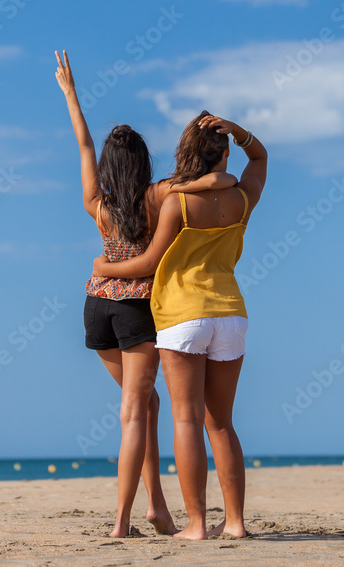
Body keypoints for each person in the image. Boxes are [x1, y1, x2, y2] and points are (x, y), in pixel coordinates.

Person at [54, 53, 238, 538]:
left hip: (97, 307)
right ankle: (121, 522)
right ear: (142, 164)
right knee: (137, 410)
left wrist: (70, 95)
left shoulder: (96, 204)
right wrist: (220, 177)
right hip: (137, 309)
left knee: (146, 404)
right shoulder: (155, 197)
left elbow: (84, 143)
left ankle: (157, 506)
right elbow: (207, 182)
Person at [93, 111, 268, 540]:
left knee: (187, 420)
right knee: (222, 423)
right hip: (230, 312)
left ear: (185, 155)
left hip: (182, 315)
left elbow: (149, 262)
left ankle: (196, 524)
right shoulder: (242, 198)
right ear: (225, 153)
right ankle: (236, 523)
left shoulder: (178, 203)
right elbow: (260, 158)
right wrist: (239, 132)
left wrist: (105, 268)